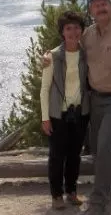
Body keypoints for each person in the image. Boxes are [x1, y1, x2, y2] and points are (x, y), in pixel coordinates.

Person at [43, 0, 111, 214]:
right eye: (96, 5)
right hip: (95, 100)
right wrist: (46, 58)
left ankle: (98, 201)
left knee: (106, 145)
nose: (100, 8)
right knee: (101, 149)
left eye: (104, 4)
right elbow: (68, 49)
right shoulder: (88, 34)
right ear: (91, 11)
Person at [40, 11, 90, 210]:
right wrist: (45, 118)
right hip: (57, 115)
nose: (73, 31)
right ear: (62, 32)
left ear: (82, 30)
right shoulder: (52, 57)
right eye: (68, 28)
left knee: (74, 155)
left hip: (80, 113)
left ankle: (71, 191)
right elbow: (44, 89)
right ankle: (56, 195)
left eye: (77, 27)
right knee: (57, 156)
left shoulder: (87, 54)